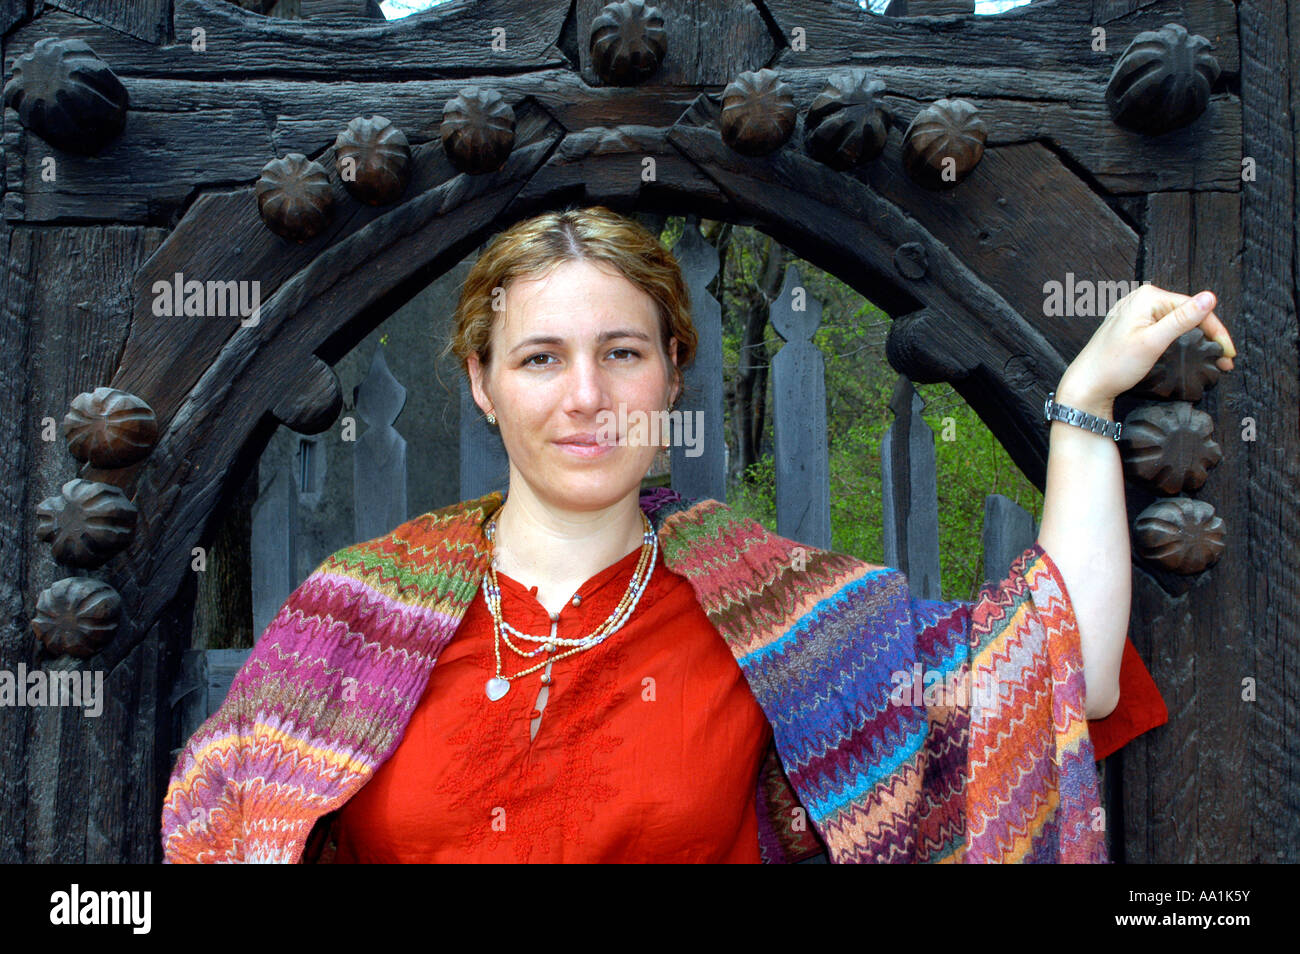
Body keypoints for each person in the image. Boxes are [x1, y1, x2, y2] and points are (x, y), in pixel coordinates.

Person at [160, 205, 1235, 864]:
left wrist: (1085, 399)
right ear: (481, 385)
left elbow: (1062, 673)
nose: (585, 396)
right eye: (539, 358)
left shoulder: (779, 613)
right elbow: (222, 829)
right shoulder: (357, 610)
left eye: (621, 353)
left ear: (673, 370)